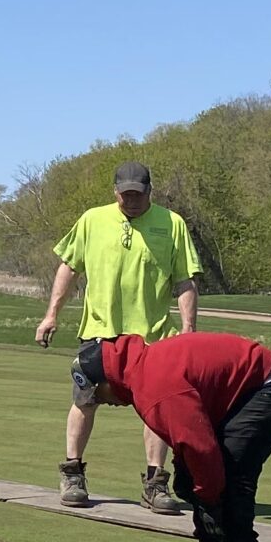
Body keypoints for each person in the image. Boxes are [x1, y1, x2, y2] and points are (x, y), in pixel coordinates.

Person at [35, 160, 200, 513]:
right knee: (85, 401)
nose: (132, 201)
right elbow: (69, 266)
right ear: (115, 192)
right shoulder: (92, 220)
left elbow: (185, 280)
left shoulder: (171, 224)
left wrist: (188, 330)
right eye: (125, 194)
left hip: (153, 337)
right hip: (100, 333)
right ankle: (72, 474)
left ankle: (156, 484)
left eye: (138, 194)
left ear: (149, 192)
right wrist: (51, 315)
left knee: (158, 410)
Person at [74, 333, 271, 542]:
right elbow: (187, 438)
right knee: (189, 481)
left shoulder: (154, 387)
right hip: (249, 390)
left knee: (231, 475)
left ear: (108, 379)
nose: (100, 400)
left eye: (97, 392)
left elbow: (201, 449)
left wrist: (209, 498)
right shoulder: (138, 375)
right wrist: (195, 485)